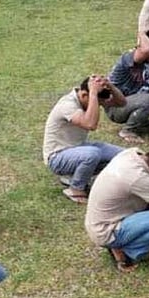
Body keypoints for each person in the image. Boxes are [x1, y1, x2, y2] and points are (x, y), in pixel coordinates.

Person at [84, 140, 149, 273]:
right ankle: (125, 252)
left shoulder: (133, 154)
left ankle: (138, 239)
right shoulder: (137, 177)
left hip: (106, 221)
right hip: (107, 230)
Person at [43, 75, 126, 204]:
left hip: (78, 149)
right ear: (83, 95)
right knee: (92, 154)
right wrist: (93, 93)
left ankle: (72, 177)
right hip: (57, 157)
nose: (98, 106)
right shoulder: (67, 104)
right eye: (97, 102)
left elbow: (122, 103)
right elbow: (90, 124)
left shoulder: (89, 98)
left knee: (123, 155)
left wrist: (110, 85)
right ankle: (75, 189)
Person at [107, 30, 149, 145]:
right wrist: (142, 32)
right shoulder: (130, 57)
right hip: (116, 107)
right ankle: (128, 130)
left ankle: (140, 120)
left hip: (133, 100)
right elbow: (146, 50)